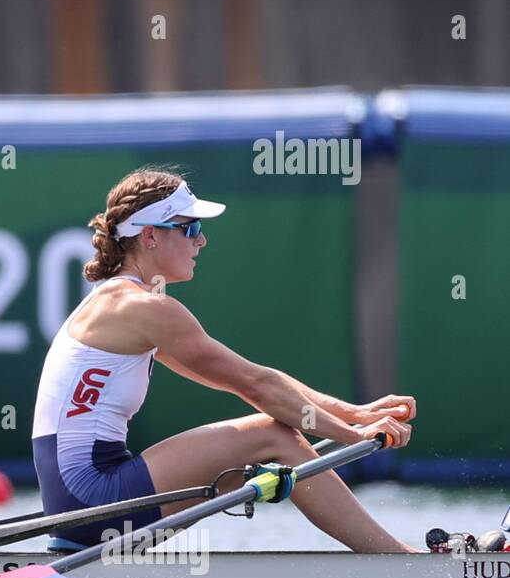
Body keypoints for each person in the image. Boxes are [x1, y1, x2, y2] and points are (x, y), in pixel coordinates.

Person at [31, 166, 418, 553]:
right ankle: (397, 560)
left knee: (260, 450)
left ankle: (390, 557)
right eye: (191, 228)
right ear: (149, 236)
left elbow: (259, 379)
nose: (202, 241)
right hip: (90, 498)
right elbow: (256, 386)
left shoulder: (120, 305)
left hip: (79, 501)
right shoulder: (141, 308)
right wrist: (355, 436)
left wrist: (356, 413)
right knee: (272, 434)